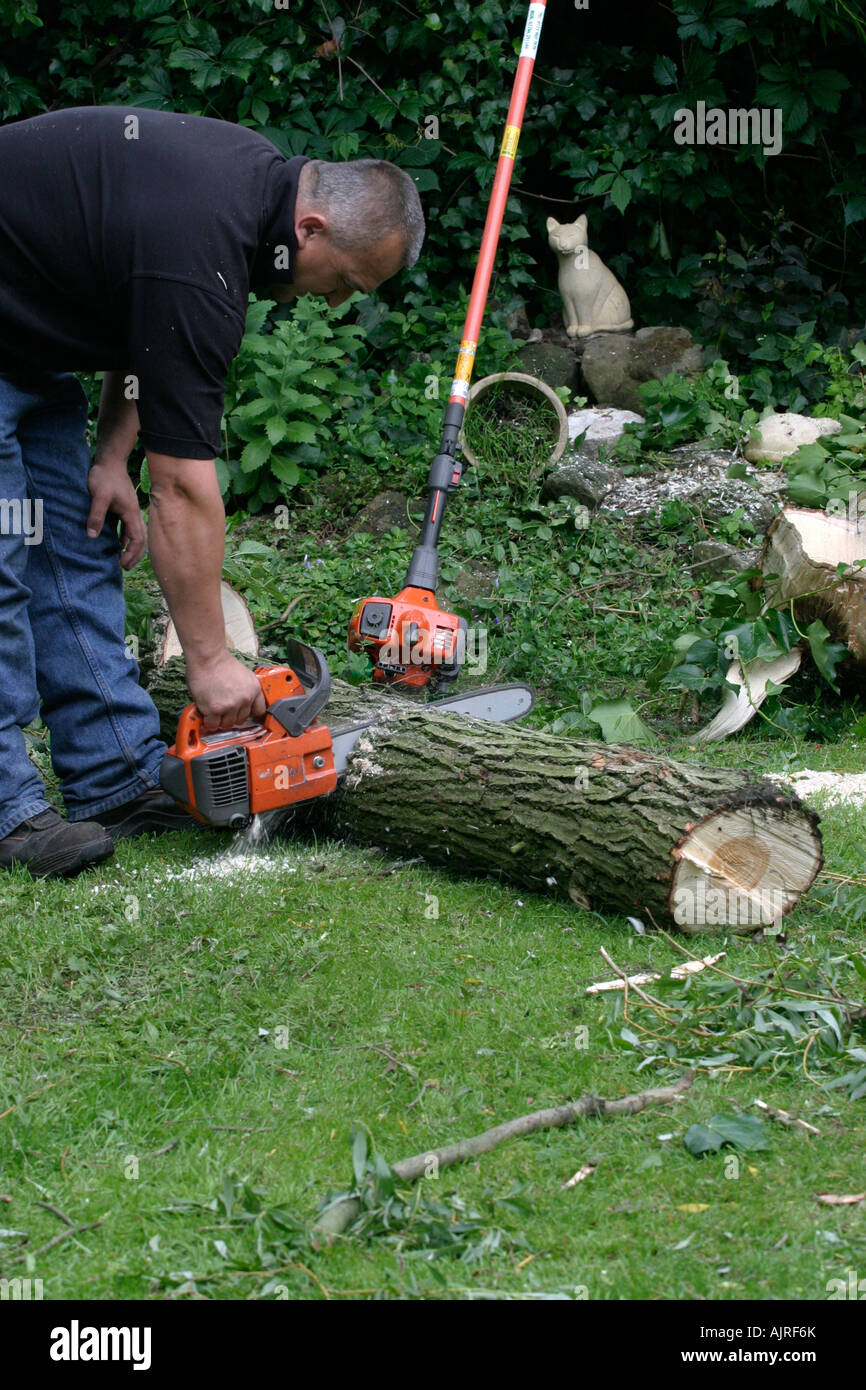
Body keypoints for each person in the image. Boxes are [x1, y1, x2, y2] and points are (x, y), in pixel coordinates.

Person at [0, 105, 424, 877]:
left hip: (29, 345)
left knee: (75, 542)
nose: (336, 304)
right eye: (346, 284)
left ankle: (115, 779)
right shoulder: (210, 243)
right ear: (315, 229)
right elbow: (183, 489)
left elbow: (146, 331)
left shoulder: (244, 197)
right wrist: (209, 660)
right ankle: (8, 810)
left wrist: (110, 453)